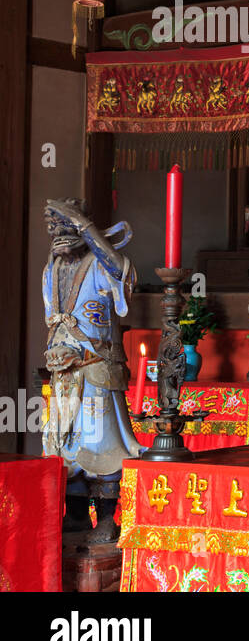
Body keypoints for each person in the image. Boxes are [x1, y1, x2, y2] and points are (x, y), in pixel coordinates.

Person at [41, 198, 142, 543]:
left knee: (103, 446)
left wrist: (85, 226)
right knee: (65, 445)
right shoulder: (50, 270)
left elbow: (121, 271)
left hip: (96, 371)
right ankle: (77, 515)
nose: (59, 233)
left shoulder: (99, 264)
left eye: (67, 225)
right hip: (63, 374)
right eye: (54, 226)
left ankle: (107, 519)